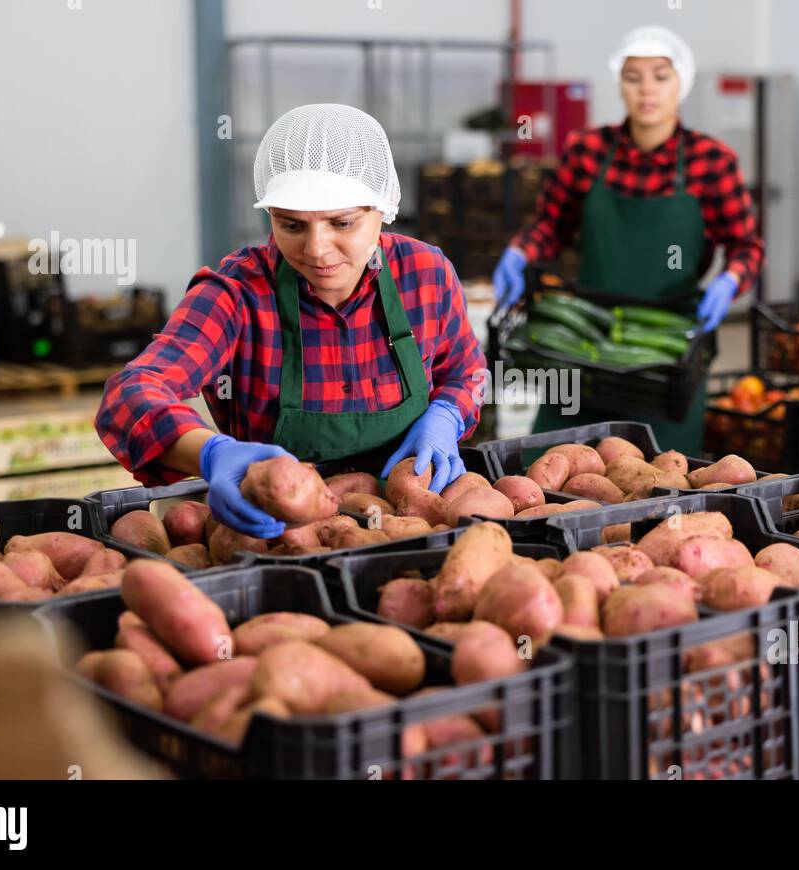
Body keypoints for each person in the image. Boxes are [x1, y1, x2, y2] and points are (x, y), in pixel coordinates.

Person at [96, 104, 485, 539]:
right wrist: (211, 453)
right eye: (292, 225)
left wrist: (448, 415)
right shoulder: (237, 293)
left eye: (341, 222)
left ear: (383, 210)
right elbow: (131, 396)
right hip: (280, 535)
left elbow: (466, 371)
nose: (317, 249)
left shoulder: (425, 274)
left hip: (411, 525)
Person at [492, 25, 764, 454]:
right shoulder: (587, 151)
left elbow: (747, 246)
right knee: (549, 472)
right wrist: (520, 250)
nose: (646, 90)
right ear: (620, 84)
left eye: (660, 76)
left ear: (681, 83)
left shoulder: (711, 162)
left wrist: (730, 280)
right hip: (582, 344)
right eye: (633, 77)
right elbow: (551, 223)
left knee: (659, 482)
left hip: (666, 357)